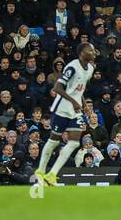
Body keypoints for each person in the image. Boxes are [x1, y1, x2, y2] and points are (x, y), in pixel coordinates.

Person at [36, 42, 98, 187]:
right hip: (62, 108)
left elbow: (78, 89)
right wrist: (73, 101)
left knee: (75, 142)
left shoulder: (90, 69)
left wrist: (83, 103)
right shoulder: (72, 67)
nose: (94, 52)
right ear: (82, 53)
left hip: (75, 111)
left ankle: (52, 174)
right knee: (54, 141)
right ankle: (40, 170)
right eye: (91, 50)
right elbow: (57, 87)